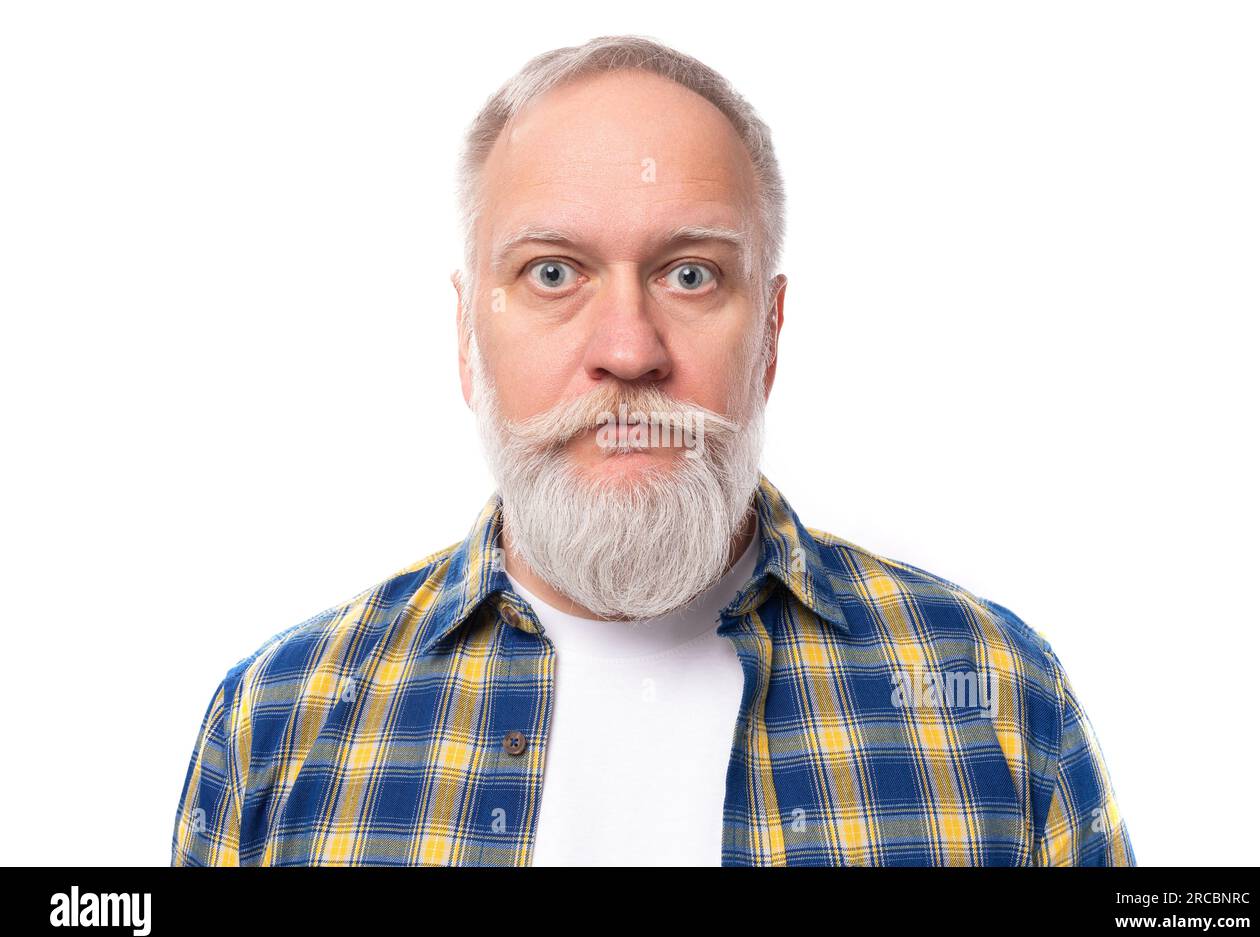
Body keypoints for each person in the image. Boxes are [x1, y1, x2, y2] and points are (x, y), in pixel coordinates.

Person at [172, 34, 1134, 867]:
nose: (629, 349)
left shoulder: (997, 696)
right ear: (467, 337)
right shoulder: (277, 723)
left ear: (770, 335)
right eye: (553, 273)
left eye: (690, 274)